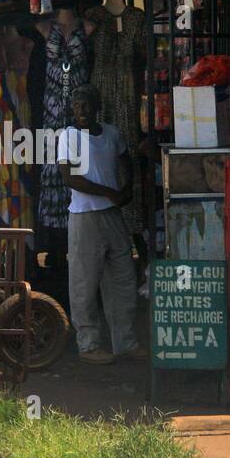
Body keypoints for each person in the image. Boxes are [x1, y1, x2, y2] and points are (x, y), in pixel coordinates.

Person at [57, 84, 143, 365]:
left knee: (123, 277)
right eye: (77, 105)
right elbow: (70, 179)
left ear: (97, 107)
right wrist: (111, 192)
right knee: (84, 282)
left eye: (86, 104)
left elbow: (126, 160)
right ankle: (89, 343)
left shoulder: (112, 134)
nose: (81, 110)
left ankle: (125, 341)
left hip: (112, 215)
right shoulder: (68, 136)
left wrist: (127, 186)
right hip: (84, 215)